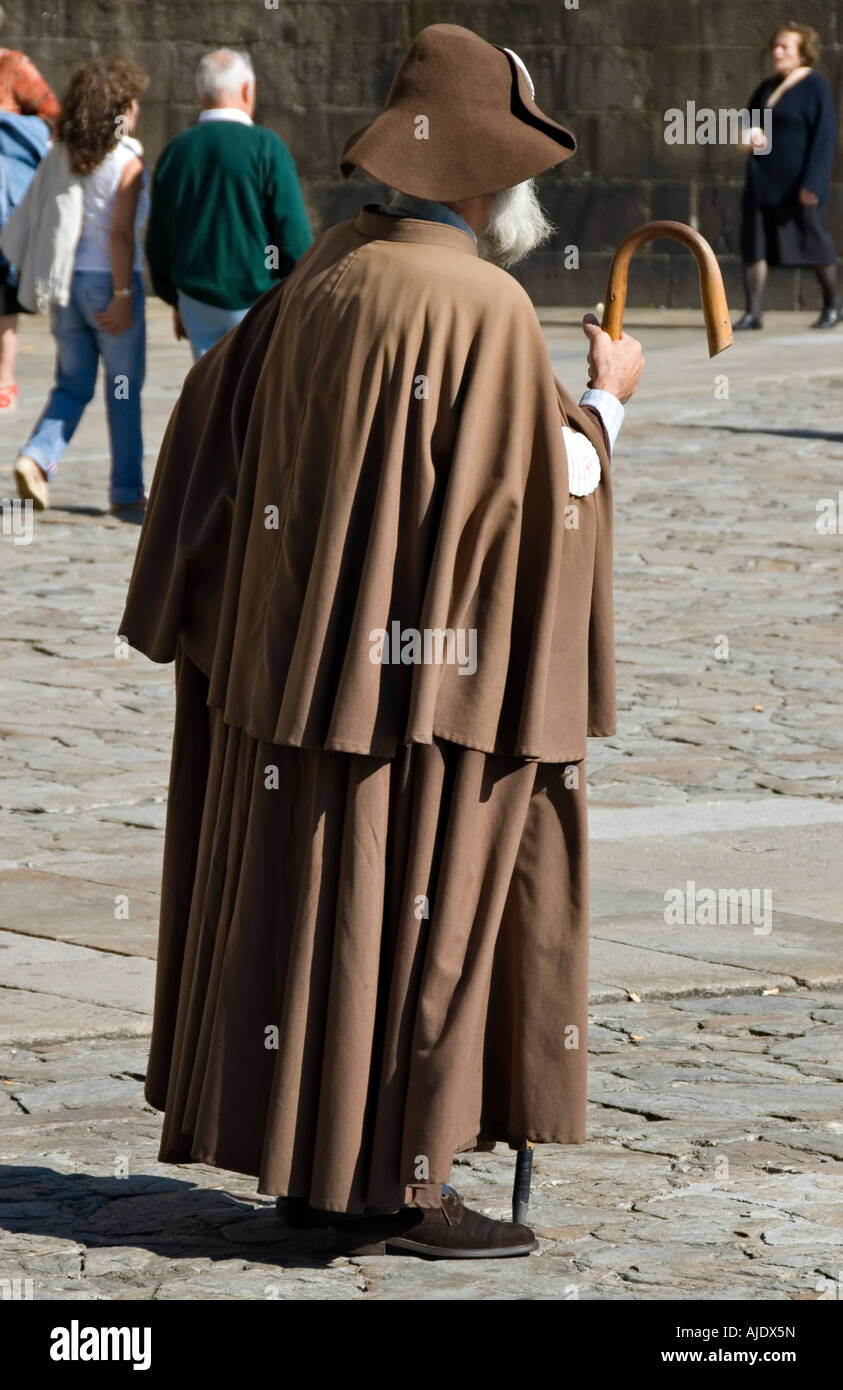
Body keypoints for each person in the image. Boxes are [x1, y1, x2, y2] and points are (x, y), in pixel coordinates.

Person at [119, 24, 644, 1259]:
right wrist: (609, 403)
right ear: (481, 175)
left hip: (301, 674)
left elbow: (210, 415)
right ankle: (400, 1185)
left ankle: (317, 1171)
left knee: (325, 903)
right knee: (414, 905)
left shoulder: (322, 274)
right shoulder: (485, 306)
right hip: (421, 691)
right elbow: (538, 491)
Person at [1, 59, 149, 516]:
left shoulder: (59, 154)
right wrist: (123, 298)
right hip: (110, 284)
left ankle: (37, 457)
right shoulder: (128, 161)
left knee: (71, 383)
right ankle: (126, 492)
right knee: (122, 389)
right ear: (121, 109)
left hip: (66, 284)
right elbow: (121, 235)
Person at [145, 48, 312, 360]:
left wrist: (175, 296)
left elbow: (159, 238)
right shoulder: (267, 147)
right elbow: (293, 235)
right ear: (247, 90)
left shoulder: (176, 151)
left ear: (199, 93)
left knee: (211, 393)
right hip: (257, 297)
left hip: (195, 298)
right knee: (255, 394)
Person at [736, 20, 843, 330]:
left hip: (798, 183)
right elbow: (745, 126)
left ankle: (834, 304)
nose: (777, 51)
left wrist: (814, 183)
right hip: (762, 180)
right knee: (754, 246)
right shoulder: (765, 88)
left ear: (802, 53)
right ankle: (754, 312)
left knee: (814, 242)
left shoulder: (815, 88)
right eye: (775, 46)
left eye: (785, 47)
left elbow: (824, 139)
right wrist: (749, 136)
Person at [0, 6, 60, 414]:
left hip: (4, 203)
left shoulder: (12, 65)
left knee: (3, 295)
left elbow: (51, 113)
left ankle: (4, 376)